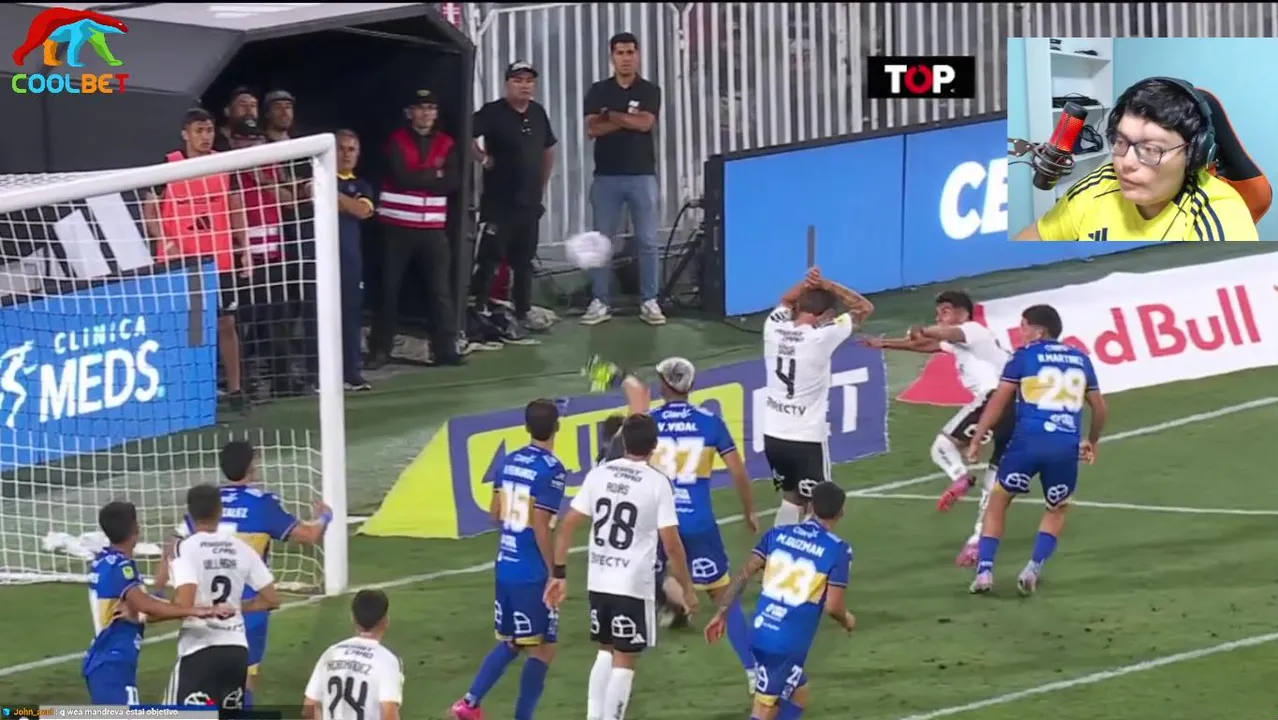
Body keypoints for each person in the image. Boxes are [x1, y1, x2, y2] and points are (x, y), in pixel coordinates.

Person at [156, 440, 332, 708]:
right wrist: (325, 518)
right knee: (242, 682)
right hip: (246, 613)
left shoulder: (207, 501)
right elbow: (309, 536)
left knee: (196, 691)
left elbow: (171, 546)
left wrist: (157, 593)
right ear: (252, 466)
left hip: (200, 610)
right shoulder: (262, 504)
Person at [544, 413, 697, 720]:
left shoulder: (599, 474)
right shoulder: (657, 483)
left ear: (623, 441)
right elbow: (672, 544)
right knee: (625, 660)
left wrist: (558, 574)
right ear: (654, 445)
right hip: (632, 584)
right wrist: (688, 589)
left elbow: (567, 524)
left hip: (599, 580)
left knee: (605, 650)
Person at [962, 304, 1109, 595]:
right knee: (1056, 509)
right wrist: (1092, 441)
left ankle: (985, 572)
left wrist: (977, 437)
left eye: (1024, 326)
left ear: (1039, 331)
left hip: (1027, 443)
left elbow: (999, 400)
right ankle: (1033, 569)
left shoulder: (1023, 356)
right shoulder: (1081, 359)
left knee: (998, 501)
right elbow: (1100, 408)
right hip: (1065, 446)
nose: (1021, 332)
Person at [862, 290, 1015, 567]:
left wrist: (923, 329)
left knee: (942, 446)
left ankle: (960, 477)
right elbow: (928, 345)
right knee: (994, 479)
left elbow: (936, 335)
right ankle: (977, 541)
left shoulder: (972, 330)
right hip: (1016, 406)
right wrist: (884, 343)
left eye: (944, 311)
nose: (939, 317)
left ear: (962, 313)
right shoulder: (964, 341)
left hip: (995, 398)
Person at [1015, 77, 1258, 241]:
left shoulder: (1219, 214)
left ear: (1194, 155)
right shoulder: (1098, 186)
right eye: (1121, 142)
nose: (1126, 163)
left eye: (1151, 149)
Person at [647, 356, 760, 691]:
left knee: (640, 581)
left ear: (663, 385)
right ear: (691, 385)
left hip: (656, 522)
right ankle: (754, 672)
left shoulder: (648, 422)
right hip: (697, 521)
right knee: (724, 598)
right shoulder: (710, 422)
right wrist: (749, 511)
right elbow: (738, 470)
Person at [450, 399, 567, 720]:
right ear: (557, 427)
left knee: (517, 641)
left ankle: (470, 703)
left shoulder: (508, 461)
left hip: (506, 564)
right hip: (531, 572)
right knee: (542, 650)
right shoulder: (553, 470)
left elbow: (494, 514)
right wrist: (554, 571)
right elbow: (541, 526)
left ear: (526, 427)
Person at [704, 481, 856, 720]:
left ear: (811, 506)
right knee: (764, 709)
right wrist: (847, 620)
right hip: (784, 645)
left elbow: (744, 575)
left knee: (799, 694)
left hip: (761, 631)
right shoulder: (838, 550)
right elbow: (833, 606)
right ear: (841, 513)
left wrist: (721, 612)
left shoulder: (777, 534)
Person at [143, 107, 250, 411]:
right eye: (199, 131)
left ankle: (235, 391)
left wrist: (245, 248)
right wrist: (166, 241)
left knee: (226, 323)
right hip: (184, 263)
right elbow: (149, 211)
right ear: (185, 134)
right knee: (192, 328)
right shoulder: (167, 166)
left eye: (210, 130)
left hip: (220, 260)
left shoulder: (224, 165)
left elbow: (237, 208)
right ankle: (192, 392)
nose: (206, 136)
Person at [762, 268, 874, 526]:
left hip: (773, 435)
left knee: (791, 498)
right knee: (819, 505)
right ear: (827, 316)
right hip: (806, 438)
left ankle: (779, 546)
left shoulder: (773, 327)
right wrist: (827, 284)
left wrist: (806, 283)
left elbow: (785, 299)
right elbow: (864, 308)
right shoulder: (822, 336)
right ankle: (810, 550)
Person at [84, 501, 225, 705]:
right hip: (112, 662)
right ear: (136, 528)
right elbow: (146, 605)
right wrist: (197, 610)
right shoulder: (120, 567)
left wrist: (150, 611)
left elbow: (143, 610)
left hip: (107, 660)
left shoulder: (105, 560)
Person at [368, 89, 463, 369]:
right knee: (388, 290)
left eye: (431, 108)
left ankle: (446, 350)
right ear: (410, 113)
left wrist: (422, 176)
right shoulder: (396, 140)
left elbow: (453, 182)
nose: (426, 113)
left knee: (440, 291)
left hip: (432, 229)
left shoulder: (447, 143)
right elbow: (401, 177)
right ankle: (380, 350)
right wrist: (435, 174)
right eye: (421, 108)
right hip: (396, 228)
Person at [166, 484, 281, 708]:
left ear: (190, 514)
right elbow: (272, 599)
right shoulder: (242, 548)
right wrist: (236, 607)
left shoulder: (184, 549)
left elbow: (183, 604)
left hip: (198, 650)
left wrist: (149, 612)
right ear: (220, 511)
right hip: (236, 651)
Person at [580, 32, 666, 327]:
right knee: (601, 242)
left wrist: (611, 116)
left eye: (630, 52)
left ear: (638, 55)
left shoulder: (650, 90)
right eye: (620, 53)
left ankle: (650, 300)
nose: (626, 58)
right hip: (606, 177)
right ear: (612, 57)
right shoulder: (598, 90)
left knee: (648, 241)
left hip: (642, 176)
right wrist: (626, 119)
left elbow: (645, 124)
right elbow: (593, 129)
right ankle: (600, 301)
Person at [471, 61, 558, 342]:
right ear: (507, 84)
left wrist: (542, 186)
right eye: (518, 80)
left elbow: (548, 148)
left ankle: (523, 310)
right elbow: (463, 133)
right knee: (490, 259)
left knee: (524, 261)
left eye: (529, 81)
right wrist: (483, 158)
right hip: (500, 203)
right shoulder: (493, 112)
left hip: (529, 204)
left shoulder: (538, 113)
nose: (524, 86)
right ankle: (479, 308)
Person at [229, 116, 311, 398]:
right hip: (243, 257)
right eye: (246, 140)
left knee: (279, 319)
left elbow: (290, 202)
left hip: (274, 254)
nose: (252, 145)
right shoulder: (226, 171)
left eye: (256, 139)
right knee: (242, 321)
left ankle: (283, 379)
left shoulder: (270, 167)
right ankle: (244, 380)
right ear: (234, 142)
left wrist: (264, 181)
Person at [303, 589, 404, 720]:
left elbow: (309, 707)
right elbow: (389, 714)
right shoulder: (387, 660)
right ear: (386, 621)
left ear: (353, 619)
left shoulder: (331, 653)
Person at [336, 128, 375, 391]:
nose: (346, 154)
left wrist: (332, 195)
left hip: (349, 261)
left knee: (350, 316)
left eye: (352, 149)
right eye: (341, 148)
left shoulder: (362, 186)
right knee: (316, 316)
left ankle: (351, 372)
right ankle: (315, 375)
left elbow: (362, 210)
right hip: (318, 260)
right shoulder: (316, 179)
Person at [215, 87, 258, 152]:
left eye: (253, 105)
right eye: (243, 105)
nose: (249, 111)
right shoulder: (213, 139)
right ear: (227, 111)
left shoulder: (263, 139)